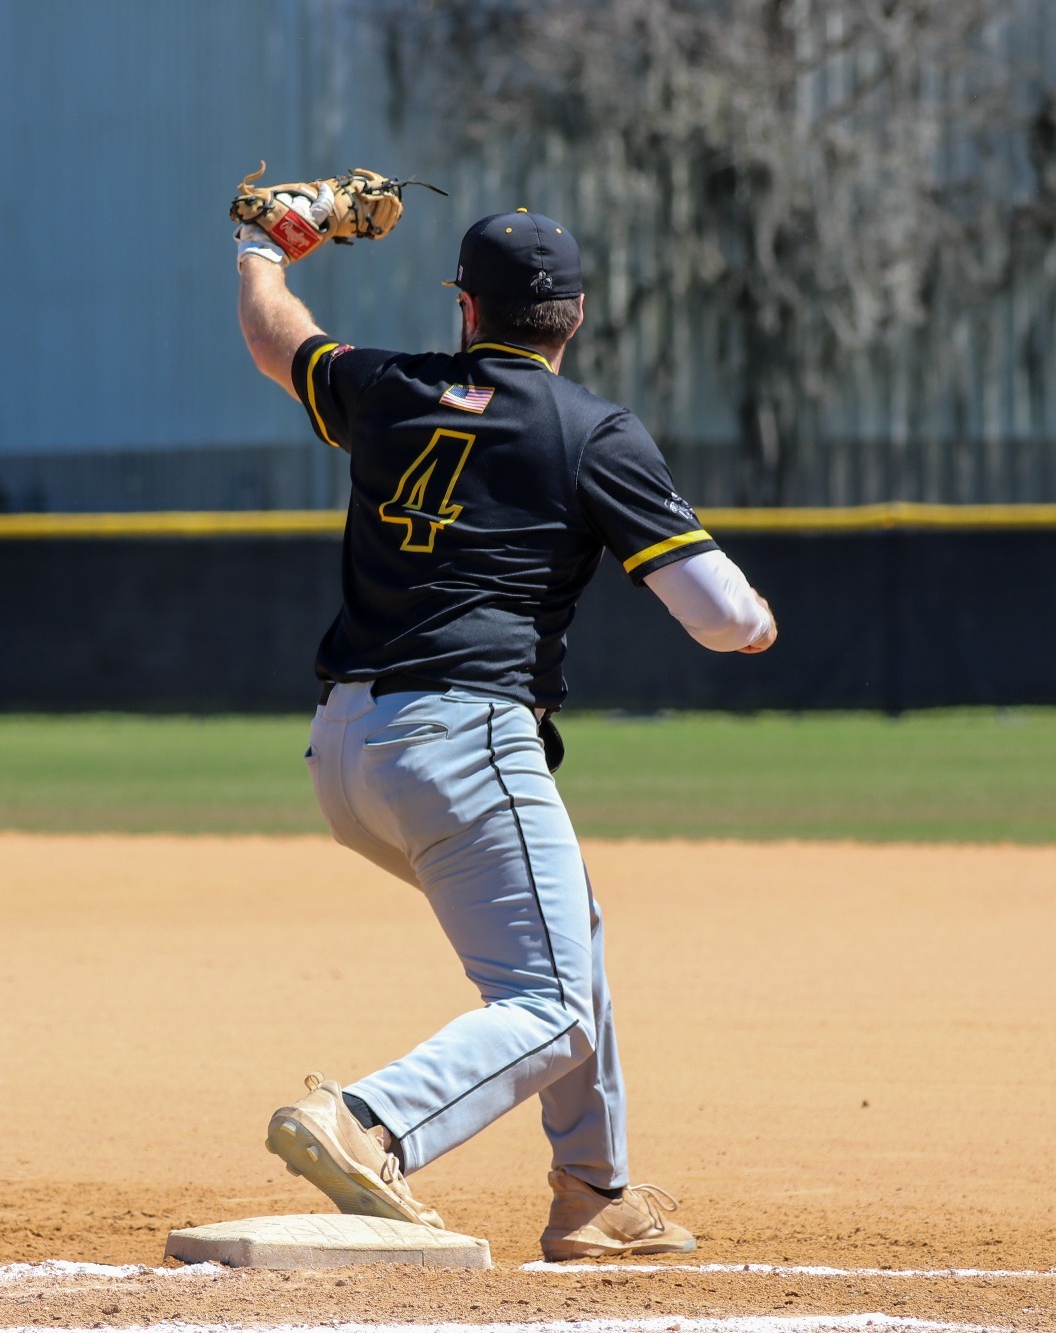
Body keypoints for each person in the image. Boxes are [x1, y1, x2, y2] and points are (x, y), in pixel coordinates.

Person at [233, 205, 777, 1260]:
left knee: (572, 933)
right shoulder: (587, 429)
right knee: (551, 1001)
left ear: (465, 306)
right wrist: (760, 626)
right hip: (462, 737)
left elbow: (275, 335)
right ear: (571, 316)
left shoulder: (387, 389)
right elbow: (722, 619)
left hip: (345, 749)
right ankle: (368, 1121)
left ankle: (594, 1194)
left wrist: (261, 249)